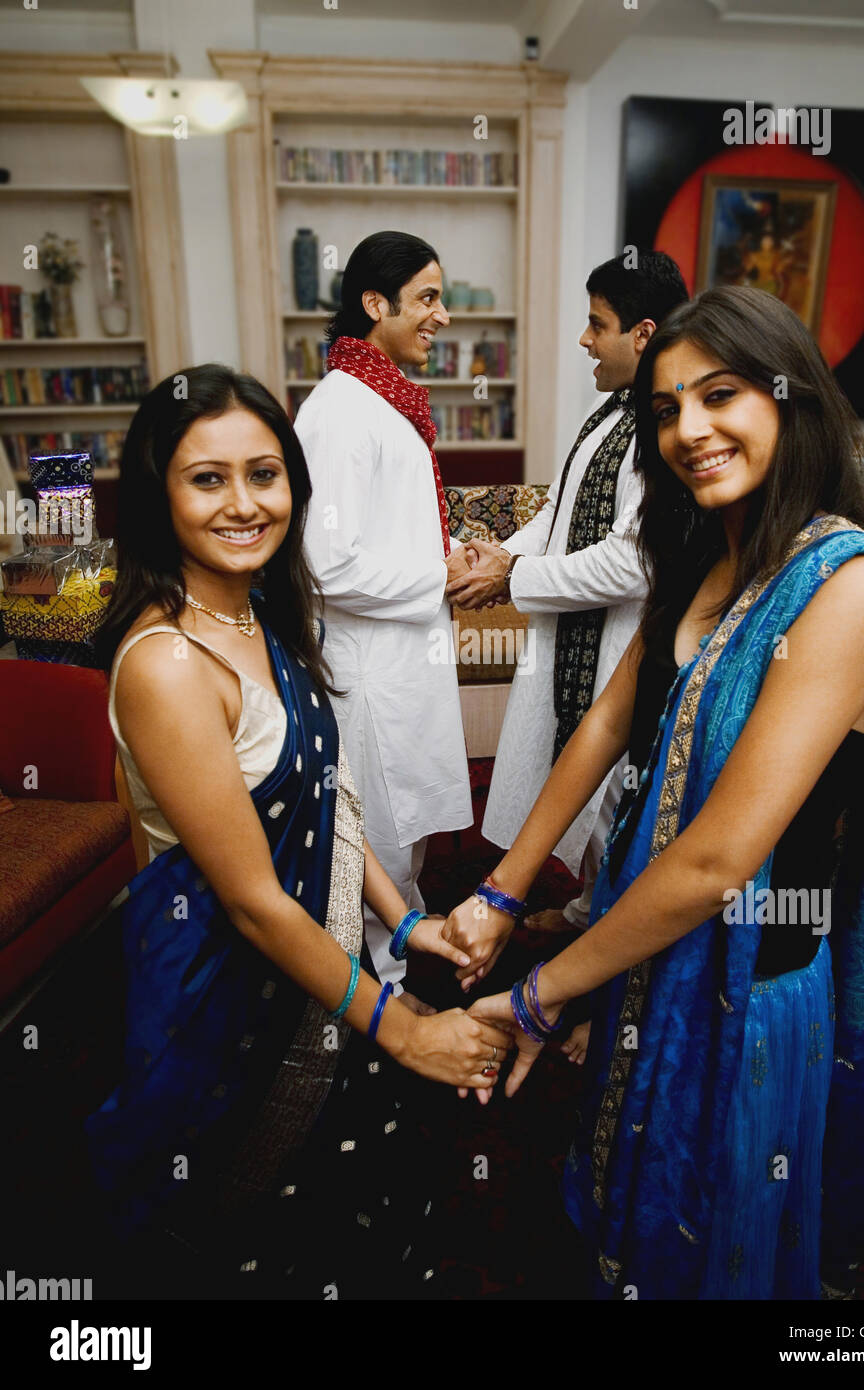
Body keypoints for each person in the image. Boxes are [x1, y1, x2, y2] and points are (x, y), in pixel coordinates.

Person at [443, 286, 864, 1299]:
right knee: (631, 1196)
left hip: (745, 980)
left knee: (713, 1233)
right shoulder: (706, 549)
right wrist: (501, 890)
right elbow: (608, 723)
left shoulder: (848, 587)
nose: (688, 431)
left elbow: (715, 862)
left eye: (720, 395)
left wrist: (538, 992)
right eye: (665, 409)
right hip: (643, 940)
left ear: (790, 399)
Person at [86, 365, 510, 1299]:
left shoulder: (260, 613)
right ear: (158, 495)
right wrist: (402, 1030)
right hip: (228, 992)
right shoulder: (168, 663)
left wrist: (406, 923)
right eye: (208, 479)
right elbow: (252, 901)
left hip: (322, 969)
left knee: (347, 1209)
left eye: (265, 474)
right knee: (245, 1230)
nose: (244, 504)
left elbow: (333, 797)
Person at [447, 251, 687, 1065]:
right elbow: (560, 514)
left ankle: (607, 999)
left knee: (621, 816)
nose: (584, 340)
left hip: (624, 648)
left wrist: (513, 577)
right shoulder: (611, 409)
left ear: (643, 334)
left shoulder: (663, 423)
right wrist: (501, 555)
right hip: (571, 639)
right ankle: (586, 914)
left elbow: (634, 561)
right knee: (586, 798)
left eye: (596, 324)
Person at [294, 231, 473, 1001]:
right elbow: (327, 563)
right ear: (376, 302)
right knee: (377, 831)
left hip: (406, 655)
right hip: (370, 668)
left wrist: (453, 552)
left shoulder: (385, 398)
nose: (442, 316)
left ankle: (405, 939)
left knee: (407, 827)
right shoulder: (340, 410)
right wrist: (441, 575)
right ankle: (380, 993)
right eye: (427, 298)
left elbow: (389, 530)